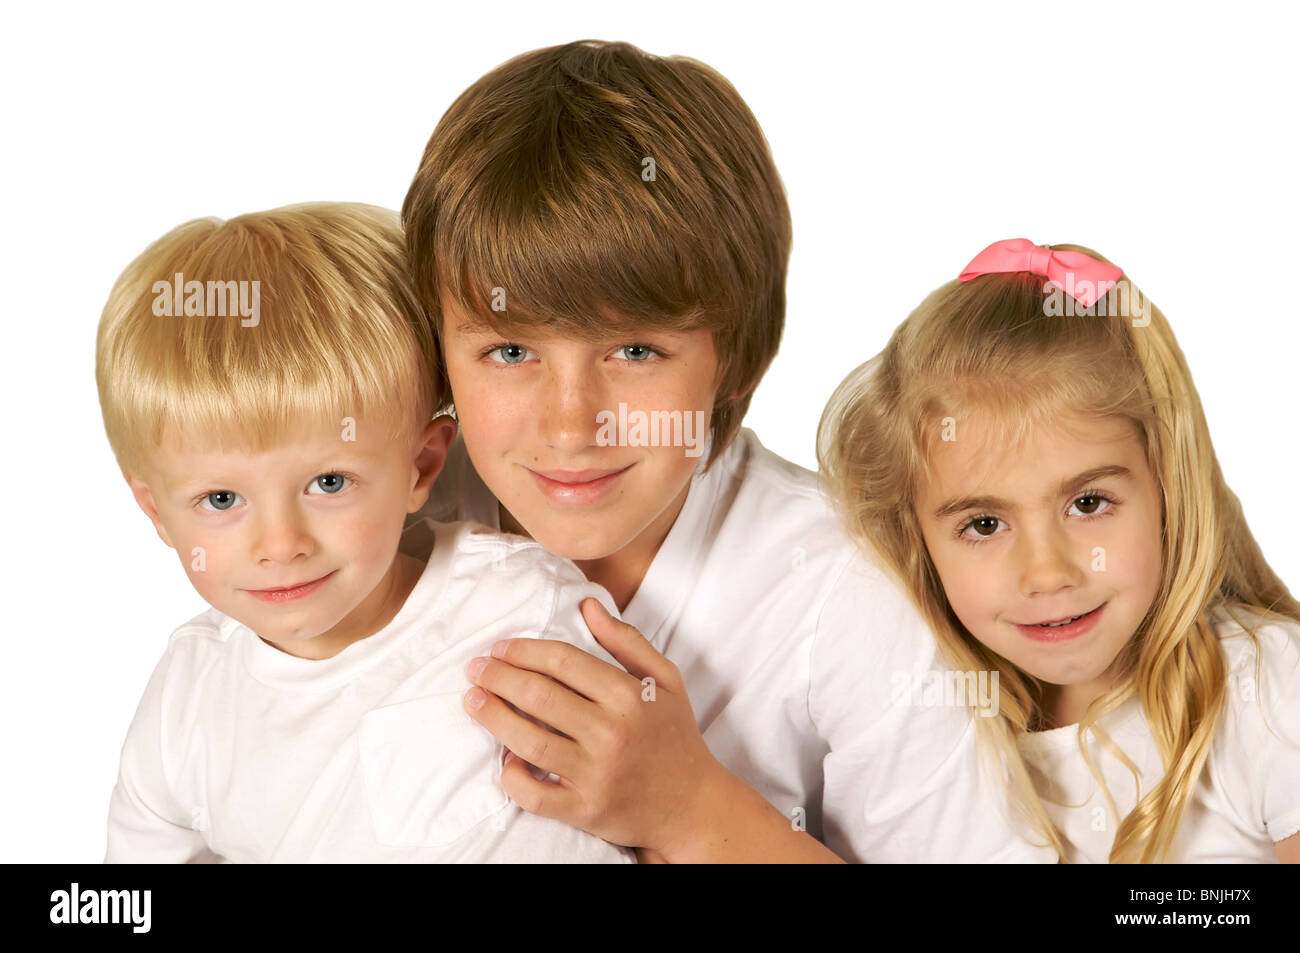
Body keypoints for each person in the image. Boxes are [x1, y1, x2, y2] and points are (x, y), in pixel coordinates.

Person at [403, 40, 1052, 862]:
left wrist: (690, 809)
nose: (571, 426)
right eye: (508, 352)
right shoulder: (394, 513)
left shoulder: (844, 592)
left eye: (634, 352)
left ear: (734, 357)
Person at [97, 202, 633, 863]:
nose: (281, 543)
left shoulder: (526, 612)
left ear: (422, 464)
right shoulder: (188, 700)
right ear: (155, 512)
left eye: (328, 483)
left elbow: (642, 825)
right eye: (222, 498)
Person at [817, 238, 1300, 862]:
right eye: (985, 525)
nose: (1047, 573)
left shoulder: (1263, 688)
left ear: (1168, 487)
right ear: (918, 540)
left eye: (1088, 503)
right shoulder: (935, 729)